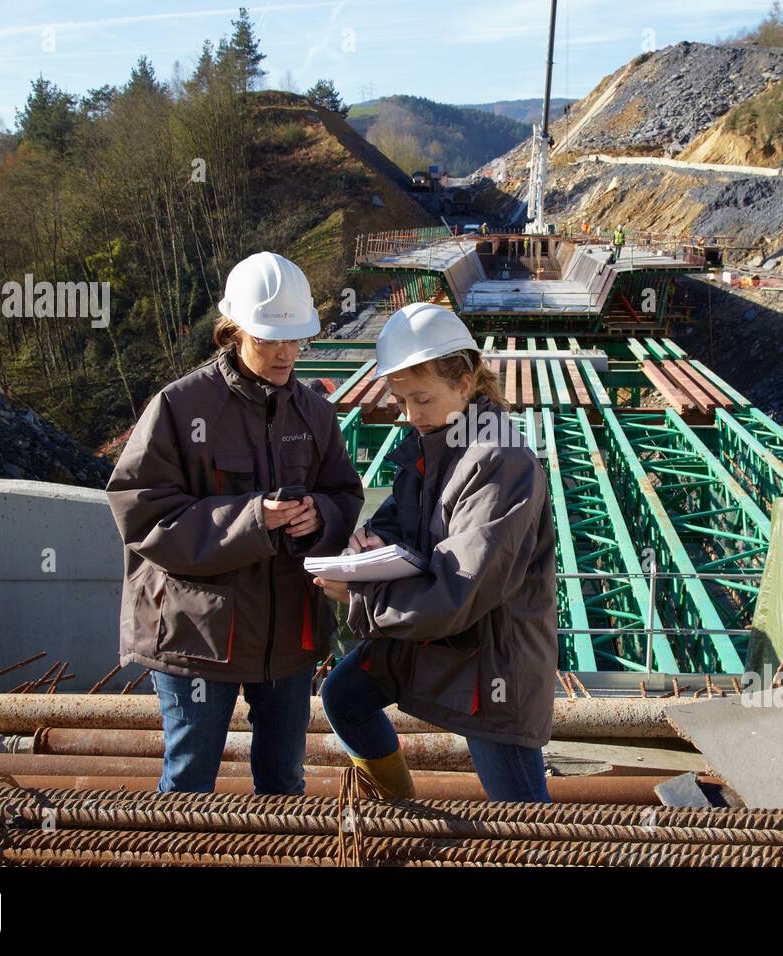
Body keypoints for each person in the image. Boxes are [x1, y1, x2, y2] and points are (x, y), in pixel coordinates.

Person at [106, 251, 363, 794]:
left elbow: (344, 492)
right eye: (271, 339)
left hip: (288, 635)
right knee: (190, 778)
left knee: (283, 779)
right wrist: (253, 520)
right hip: (199, 637)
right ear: (235, 330)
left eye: (295, 341)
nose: (285, 354)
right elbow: (142, 509)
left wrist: (323, 515)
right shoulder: (180, 407)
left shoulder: (314, 412)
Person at [315, 302, 557, 802]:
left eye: (421, 399)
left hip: (491, 665)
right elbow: (402, 517)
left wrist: (363, 600)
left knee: (524, 821)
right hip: (435, 644)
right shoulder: (437, 442)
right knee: (343, 695)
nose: (409, 415)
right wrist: (371, 542)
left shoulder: (499, 462)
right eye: (401, 400)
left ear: (465, 383)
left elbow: (459, 590)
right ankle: (397, 811)